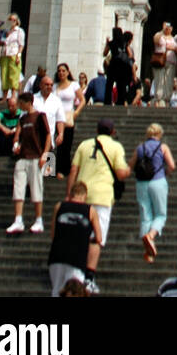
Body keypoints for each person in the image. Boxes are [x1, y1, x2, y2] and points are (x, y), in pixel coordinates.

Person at [66, 116, 129, 294]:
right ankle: (89, 277)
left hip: (81, 194)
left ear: (96, 130)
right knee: (96, 237)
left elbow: (73, 170)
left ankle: (75, 272)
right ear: (113, 132)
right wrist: (131, 165)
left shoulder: (84, 145)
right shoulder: (115, 147)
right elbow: (121, 173)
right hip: (102, 195)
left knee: (79, 234)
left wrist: (69, 194)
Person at [5, 90, 51, 235]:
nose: (19, 106)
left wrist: (45, 154)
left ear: (28, 102)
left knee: (36, 189)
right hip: (22, 157)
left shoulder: (39, 116)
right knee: (18, 188)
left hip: (36, 157)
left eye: (21, 103)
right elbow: (17, 136)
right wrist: (16, 145)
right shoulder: (23, 119)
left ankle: (39, 220)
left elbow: (48, 135)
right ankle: (18, 220)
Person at [47, 181, 103, 297]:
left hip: (57, 256)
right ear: (85, 195)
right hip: (77, 259)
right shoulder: (91, 210)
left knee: (57, 290)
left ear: (71, 194)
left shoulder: (59, 206)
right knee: (75, 292)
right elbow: (99, 238)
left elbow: (53, 234)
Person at [132, 121, 176, 261]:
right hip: (158, 181)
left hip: (142, 183)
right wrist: (166, 172)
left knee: (146, 214)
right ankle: (151, 236)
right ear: (159, 134)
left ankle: (148, 251)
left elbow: (131, 164)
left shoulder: (140, 148)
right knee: (160, 214)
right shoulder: (163, 147)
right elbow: (172, 165)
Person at [53, 63, 84, 180]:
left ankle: (63, 170)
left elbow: (82, 99)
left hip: (67, 117)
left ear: (67, 72)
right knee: (53, 143)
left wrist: (76, 112)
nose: (61, 73)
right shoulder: (54, 86)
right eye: (59, 71)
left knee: (66, 144)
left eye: (63, 71)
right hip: (55, 117)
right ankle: (49, 169)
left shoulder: (74, 85)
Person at [33, 74, 65, 175]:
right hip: (33, 139)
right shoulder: (33, 99)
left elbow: (60, 119)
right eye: (46, 84)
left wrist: (60, 134)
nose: (49, 87)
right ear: (40, 85)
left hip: (49, 140)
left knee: (47, 173)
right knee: (33, 171)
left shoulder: (56, 101)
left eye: (51, 85)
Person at [103, 17, 135, 106]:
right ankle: (120, 101)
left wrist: (107, 44)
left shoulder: (111, 43)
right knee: (121, 85)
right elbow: (130, 55)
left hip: (113, 65)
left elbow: (104, 54)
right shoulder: (124, 43)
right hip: (122, 67)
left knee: (109, 84)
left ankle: (107, 102)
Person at [150, 21, 177, 106]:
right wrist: (162, 30)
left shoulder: (174, 38)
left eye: (170, 26)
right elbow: (155, 40)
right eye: (167, 26)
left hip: (171, 62)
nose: (168, 28)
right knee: (159, 80)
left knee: (169, 81)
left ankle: (166, 99)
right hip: (160, 61)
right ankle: (158, 99)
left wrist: (173, 48)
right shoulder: (159, 35)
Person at [0, 13, 25, 96]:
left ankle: (14, 95)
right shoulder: (4, 31)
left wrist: (18, 56)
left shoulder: (19, 31)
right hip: (4, 54)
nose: (12, 21)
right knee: (4, 75)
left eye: (14, 20)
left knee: (14, 74)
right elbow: (0, 42)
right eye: (10, 19)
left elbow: (21, 45)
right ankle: (4, 96)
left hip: (14, 54)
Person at [0, 93, 22, 158]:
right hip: (6, 135)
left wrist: (15, 131)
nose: (10, 108)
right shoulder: (4, 113)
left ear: (17, 105)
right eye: (9, 106)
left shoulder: (21, 114)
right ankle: (0, 150)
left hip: (17, 136)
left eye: (13, 106)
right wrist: (4, 129)